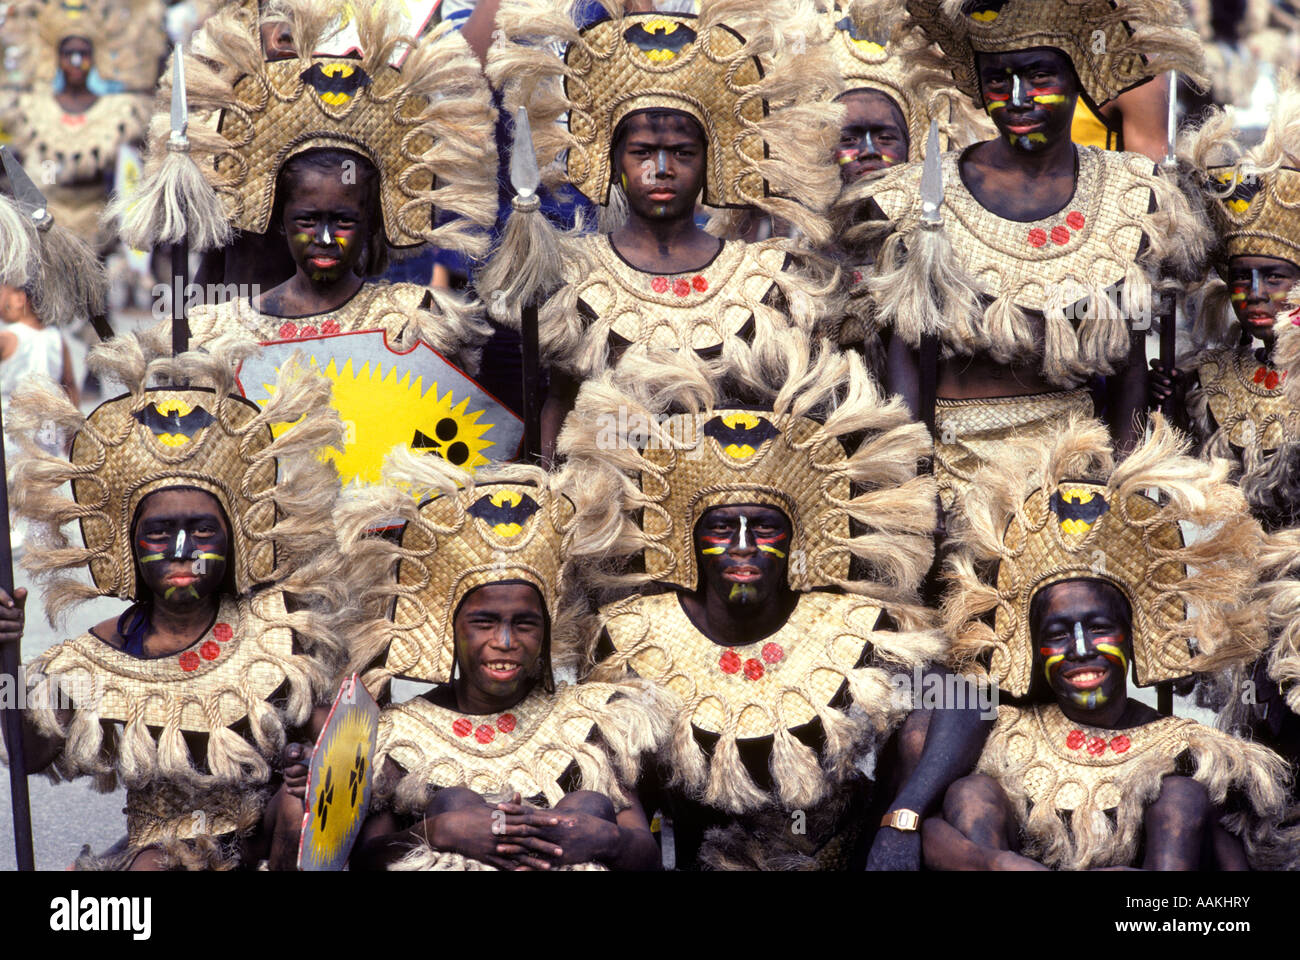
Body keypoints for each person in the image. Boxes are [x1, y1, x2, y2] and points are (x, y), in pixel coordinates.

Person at [560, 333, 992, 870]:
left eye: (764, 525)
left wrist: (902, 817)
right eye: (721, 526)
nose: (743, 545)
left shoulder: (854, 626)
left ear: (798, 540)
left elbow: (966, 698)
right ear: (687, 540)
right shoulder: (632, 635)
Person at [0, 330, 382, 870]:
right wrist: (5, 656)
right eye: (159, 533)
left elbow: (343, 739)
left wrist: (309, 763)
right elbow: (28, 754)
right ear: (129, 548)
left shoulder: (280, 630)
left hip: (270, 841)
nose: (182, 550)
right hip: (163, 852)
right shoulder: (95, 658)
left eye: (202, 531)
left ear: (236, 540)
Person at [127, 0, 509, 485]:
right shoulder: (216, 326)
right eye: (307, 217)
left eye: (343, 219)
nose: (324, 235)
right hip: (247, 297)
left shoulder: (408, 320)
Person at [858, 0, 1208, 515]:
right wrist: (909, 487)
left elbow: (1132, 362)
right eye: (998, 80)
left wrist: (1126, 487)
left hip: (1075, 470)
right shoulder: (916, 195)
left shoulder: (1132, 193)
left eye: (1038, 75)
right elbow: (906, 355)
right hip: (956, 474)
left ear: (1078, 77)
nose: (1016, 98)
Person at [925, 415, 1298, 870]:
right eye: (1058, 633)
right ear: (1031, 646)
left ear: (1134, 634)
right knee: (970, 792)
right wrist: (996, 863)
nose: (1080, 648)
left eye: (1099, 627)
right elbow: (926, 834)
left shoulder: (1183, 749)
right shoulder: (1008, 734)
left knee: (1182, 797)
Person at [482, 0, 846, 460]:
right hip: (609, 500)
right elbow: (561, 401)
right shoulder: (575, 274)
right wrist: (544, 485)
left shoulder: (766, 278)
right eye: (642, 152)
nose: (661, 169)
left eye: (681, 153)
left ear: (710, 162)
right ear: (612, 162)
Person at [343, 454, 668, 870]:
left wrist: (605, 838)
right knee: (453, 802)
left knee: (589, 803)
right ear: (450, 629)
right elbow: (365, 859)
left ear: (546, 631)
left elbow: (648, 858)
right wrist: (440, 831)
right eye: (484, 622)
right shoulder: (396, 732)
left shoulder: (590, 720)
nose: (506, 641)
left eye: (525, 624)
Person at [1150, 90, 1300, 530]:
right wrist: (1169, 405)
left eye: (1274, 278)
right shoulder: (1208, 377)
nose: (1253, 293)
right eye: (1240, 278)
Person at [1, 0, 164, 252]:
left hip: (101, 232)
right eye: (68, 54)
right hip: (47, 228)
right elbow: (40, 172)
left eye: (83, 53)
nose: (76, 61)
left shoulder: (121, 113)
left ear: (95, 57)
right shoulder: (31, 111)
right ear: (55, 57)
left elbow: (129, 174)